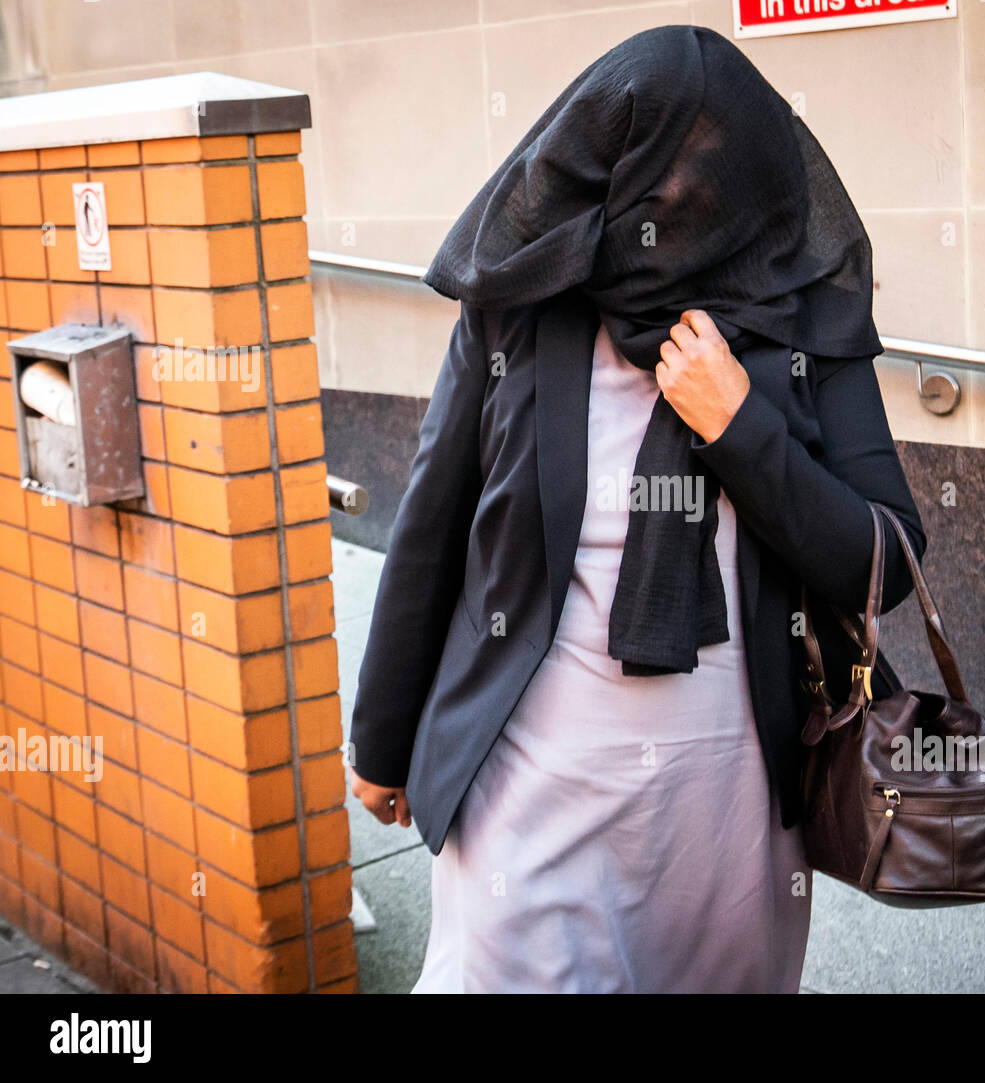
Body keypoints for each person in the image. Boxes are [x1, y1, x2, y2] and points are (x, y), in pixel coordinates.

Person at [348, 23, 925, 994]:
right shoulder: (522, 301)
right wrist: (383, 736)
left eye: (710, 166)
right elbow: (433, 518)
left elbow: (886, 561)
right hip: (532, 775)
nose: (676, 196)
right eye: (655, 162)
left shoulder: (806, 317)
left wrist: (739, 424)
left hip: (731, 802)